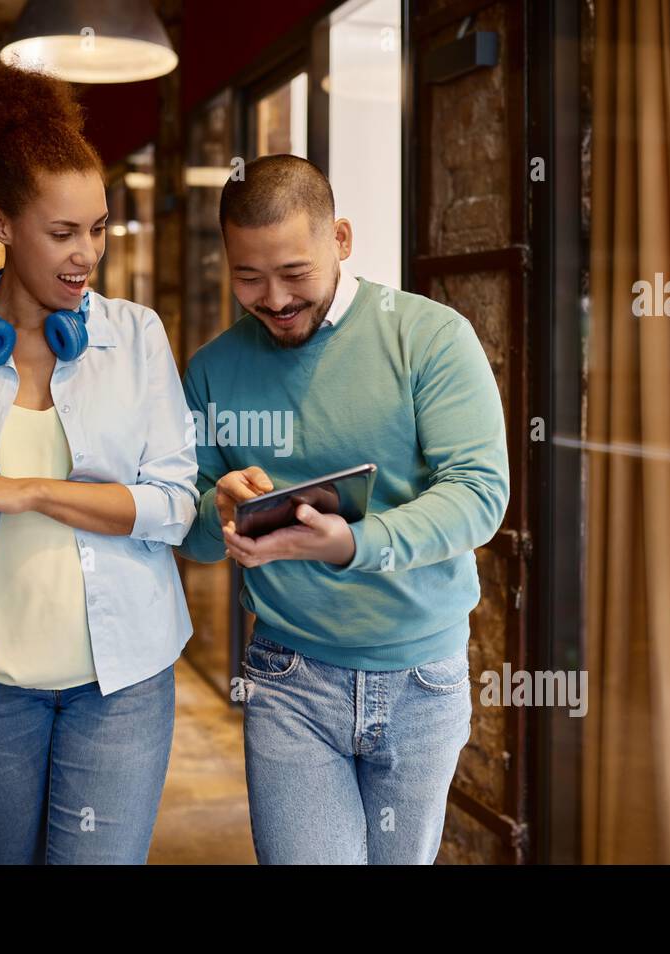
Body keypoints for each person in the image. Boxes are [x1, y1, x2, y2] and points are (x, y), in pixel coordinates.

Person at [0, 61, 197, 864]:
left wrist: (32, 492)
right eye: (62, 233)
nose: (86, 254)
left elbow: (174, 505)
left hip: (121, 686)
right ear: (2, 224)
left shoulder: (137, 336)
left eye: (98, 229)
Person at [176, 154, 510, 864]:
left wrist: (352, 543)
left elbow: (479, 495)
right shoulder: (211, 369)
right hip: (289, 675)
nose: (273, 299)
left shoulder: (429, 338)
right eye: (248, 277)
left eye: (294, 273)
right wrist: (219, 510)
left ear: (343, 239)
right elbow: (195, 536)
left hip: (423, 676)